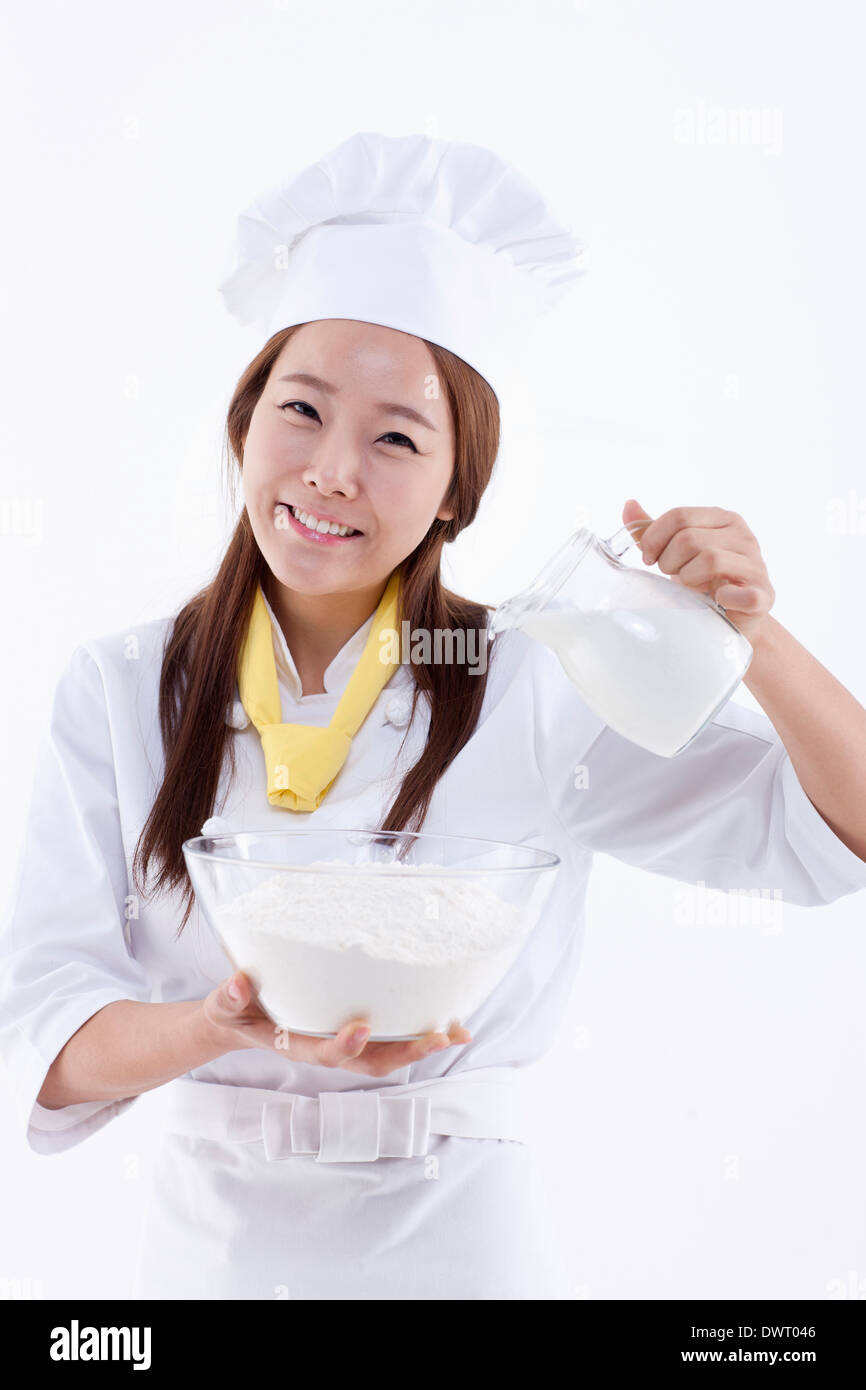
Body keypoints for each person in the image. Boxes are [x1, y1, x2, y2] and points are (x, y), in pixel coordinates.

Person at [2, 132, 866, 1302]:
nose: (331, 472)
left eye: (396, 437)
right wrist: (224, 1023)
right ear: (242, 423)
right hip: (205, 1255)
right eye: (299, 411)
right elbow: (47, 1046)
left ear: (459, 489)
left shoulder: (534, 677)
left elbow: (834, 830)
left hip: (459, 1245)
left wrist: (746, 632)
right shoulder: (117, 686)